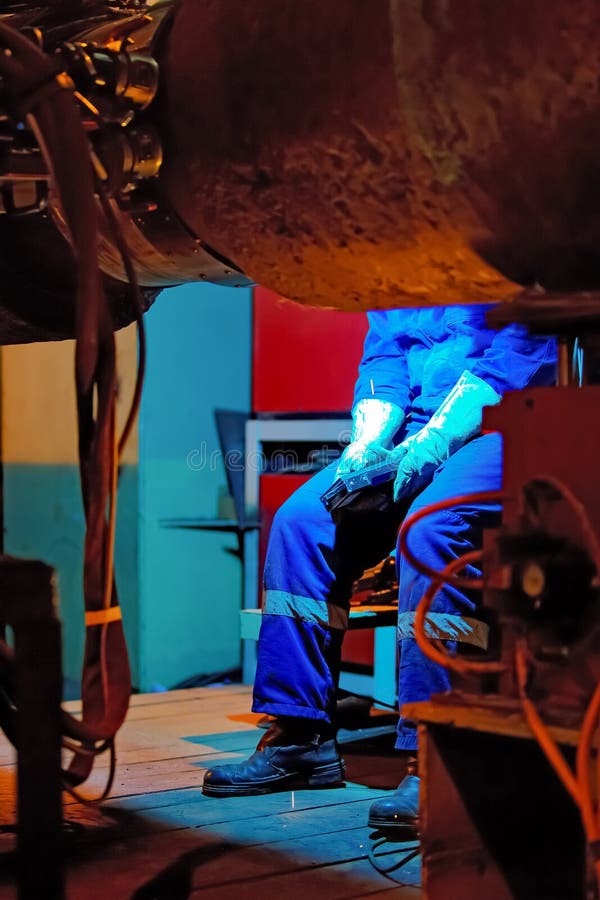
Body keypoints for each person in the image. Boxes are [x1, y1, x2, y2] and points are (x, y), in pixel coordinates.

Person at [202, 305, 556, 831]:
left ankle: (439, 755)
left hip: (505, 423)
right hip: (413, 427)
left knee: (432, 530)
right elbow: (385, 356)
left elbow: (522, 354)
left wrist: (436, 441)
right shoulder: (400, 261)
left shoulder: (504, 244)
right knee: (302, 524)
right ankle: (301, 738)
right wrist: (370, 438)